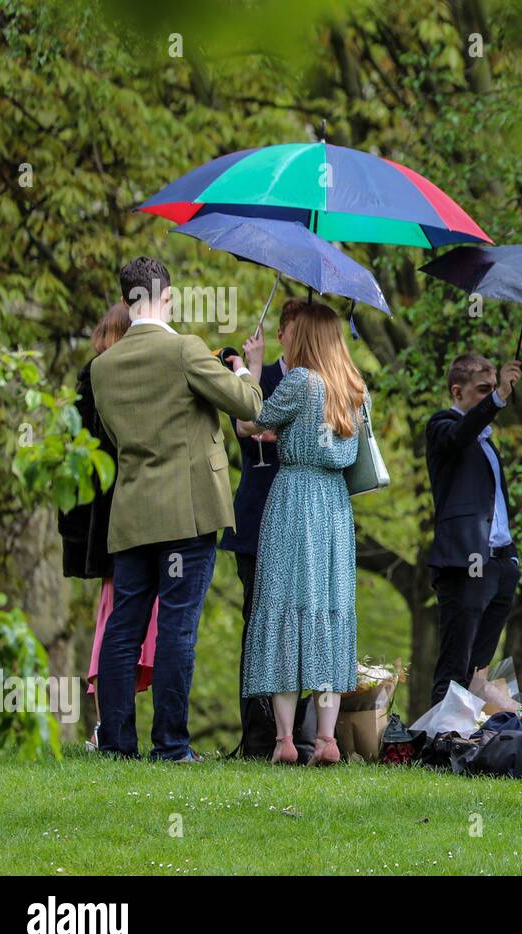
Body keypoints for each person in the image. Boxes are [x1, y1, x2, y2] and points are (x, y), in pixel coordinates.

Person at [91, 257, 263, 761]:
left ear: (128, 301)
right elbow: (247, 405)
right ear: (166, 297)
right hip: (187, 514)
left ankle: (118, 744)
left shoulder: (103, 368)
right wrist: (245, 368)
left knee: (123, 631)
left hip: (132, 514)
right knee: (176, 629)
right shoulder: (185, 350)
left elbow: (114, 435)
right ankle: (171, 744)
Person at [238, 301, 367, 765]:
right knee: (327, 608)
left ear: (306, 337)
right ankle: (328, 739)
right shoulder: (354, 388)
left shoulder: (299, 382)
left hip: (294, 496)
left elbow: (248, 421)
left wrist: (248, 372)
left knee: (283, 605)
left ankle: (285, 741)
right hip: (335, 505)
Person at [57, 302, 159, 748]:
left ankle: (115, 725)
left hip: (115, 522)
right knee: (116, 622)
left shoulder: (99, 381)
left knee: (123, 619)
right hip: (114, 522)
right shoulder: (102, 384)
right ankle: (109, 727)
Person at [221, 298, 317, 756]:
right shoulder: (262, 378)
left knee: (302, 621)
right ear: (282, 333)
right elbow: (245, 424)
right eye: (300, 333)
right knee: (260, 622)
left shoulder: (324, 383)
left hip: (305, 521)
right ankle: (259, 735)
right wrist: (252, 372)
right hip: (259, 518)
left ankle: (297, 731)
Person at [425, 353, 522, 706]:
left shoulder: (487, 444)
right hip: (464, 561)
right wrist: (496, 402)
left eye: (494, 389)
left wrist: (511, 561)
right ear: (458, 391)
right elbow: (458, 436)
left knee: (479, 667)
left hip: (498, 564)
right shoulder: (441, 426)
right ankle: (438, 742)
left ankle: (466, 739)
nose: (493, 395)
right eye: (483, 390)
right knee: (454, 663)